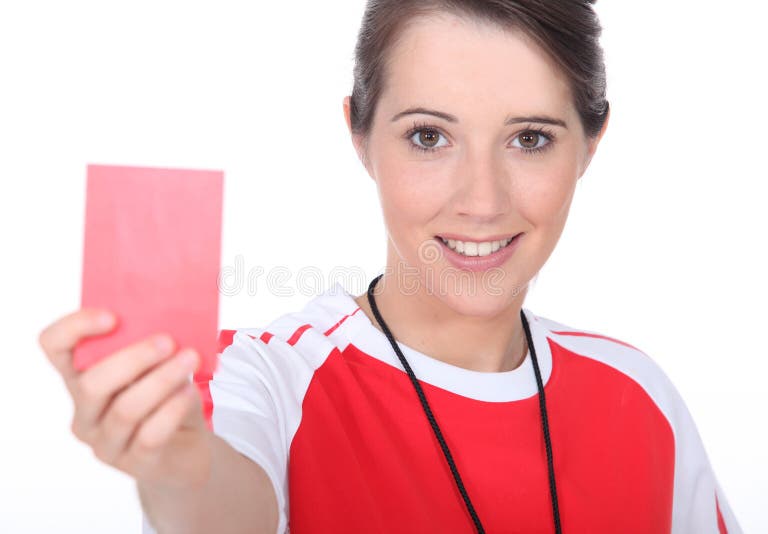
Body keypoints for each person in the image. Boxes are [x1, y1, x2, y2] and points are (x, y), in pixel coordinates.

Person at [38, 1, 742, 533]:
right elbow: (225, 497)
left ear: (590, 146)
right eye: (429, 137)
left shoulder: (639, 397)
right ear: (360, 136)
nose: (482, 200)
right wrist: (178, 470)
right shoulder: (269, 377)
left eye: (530, 138)